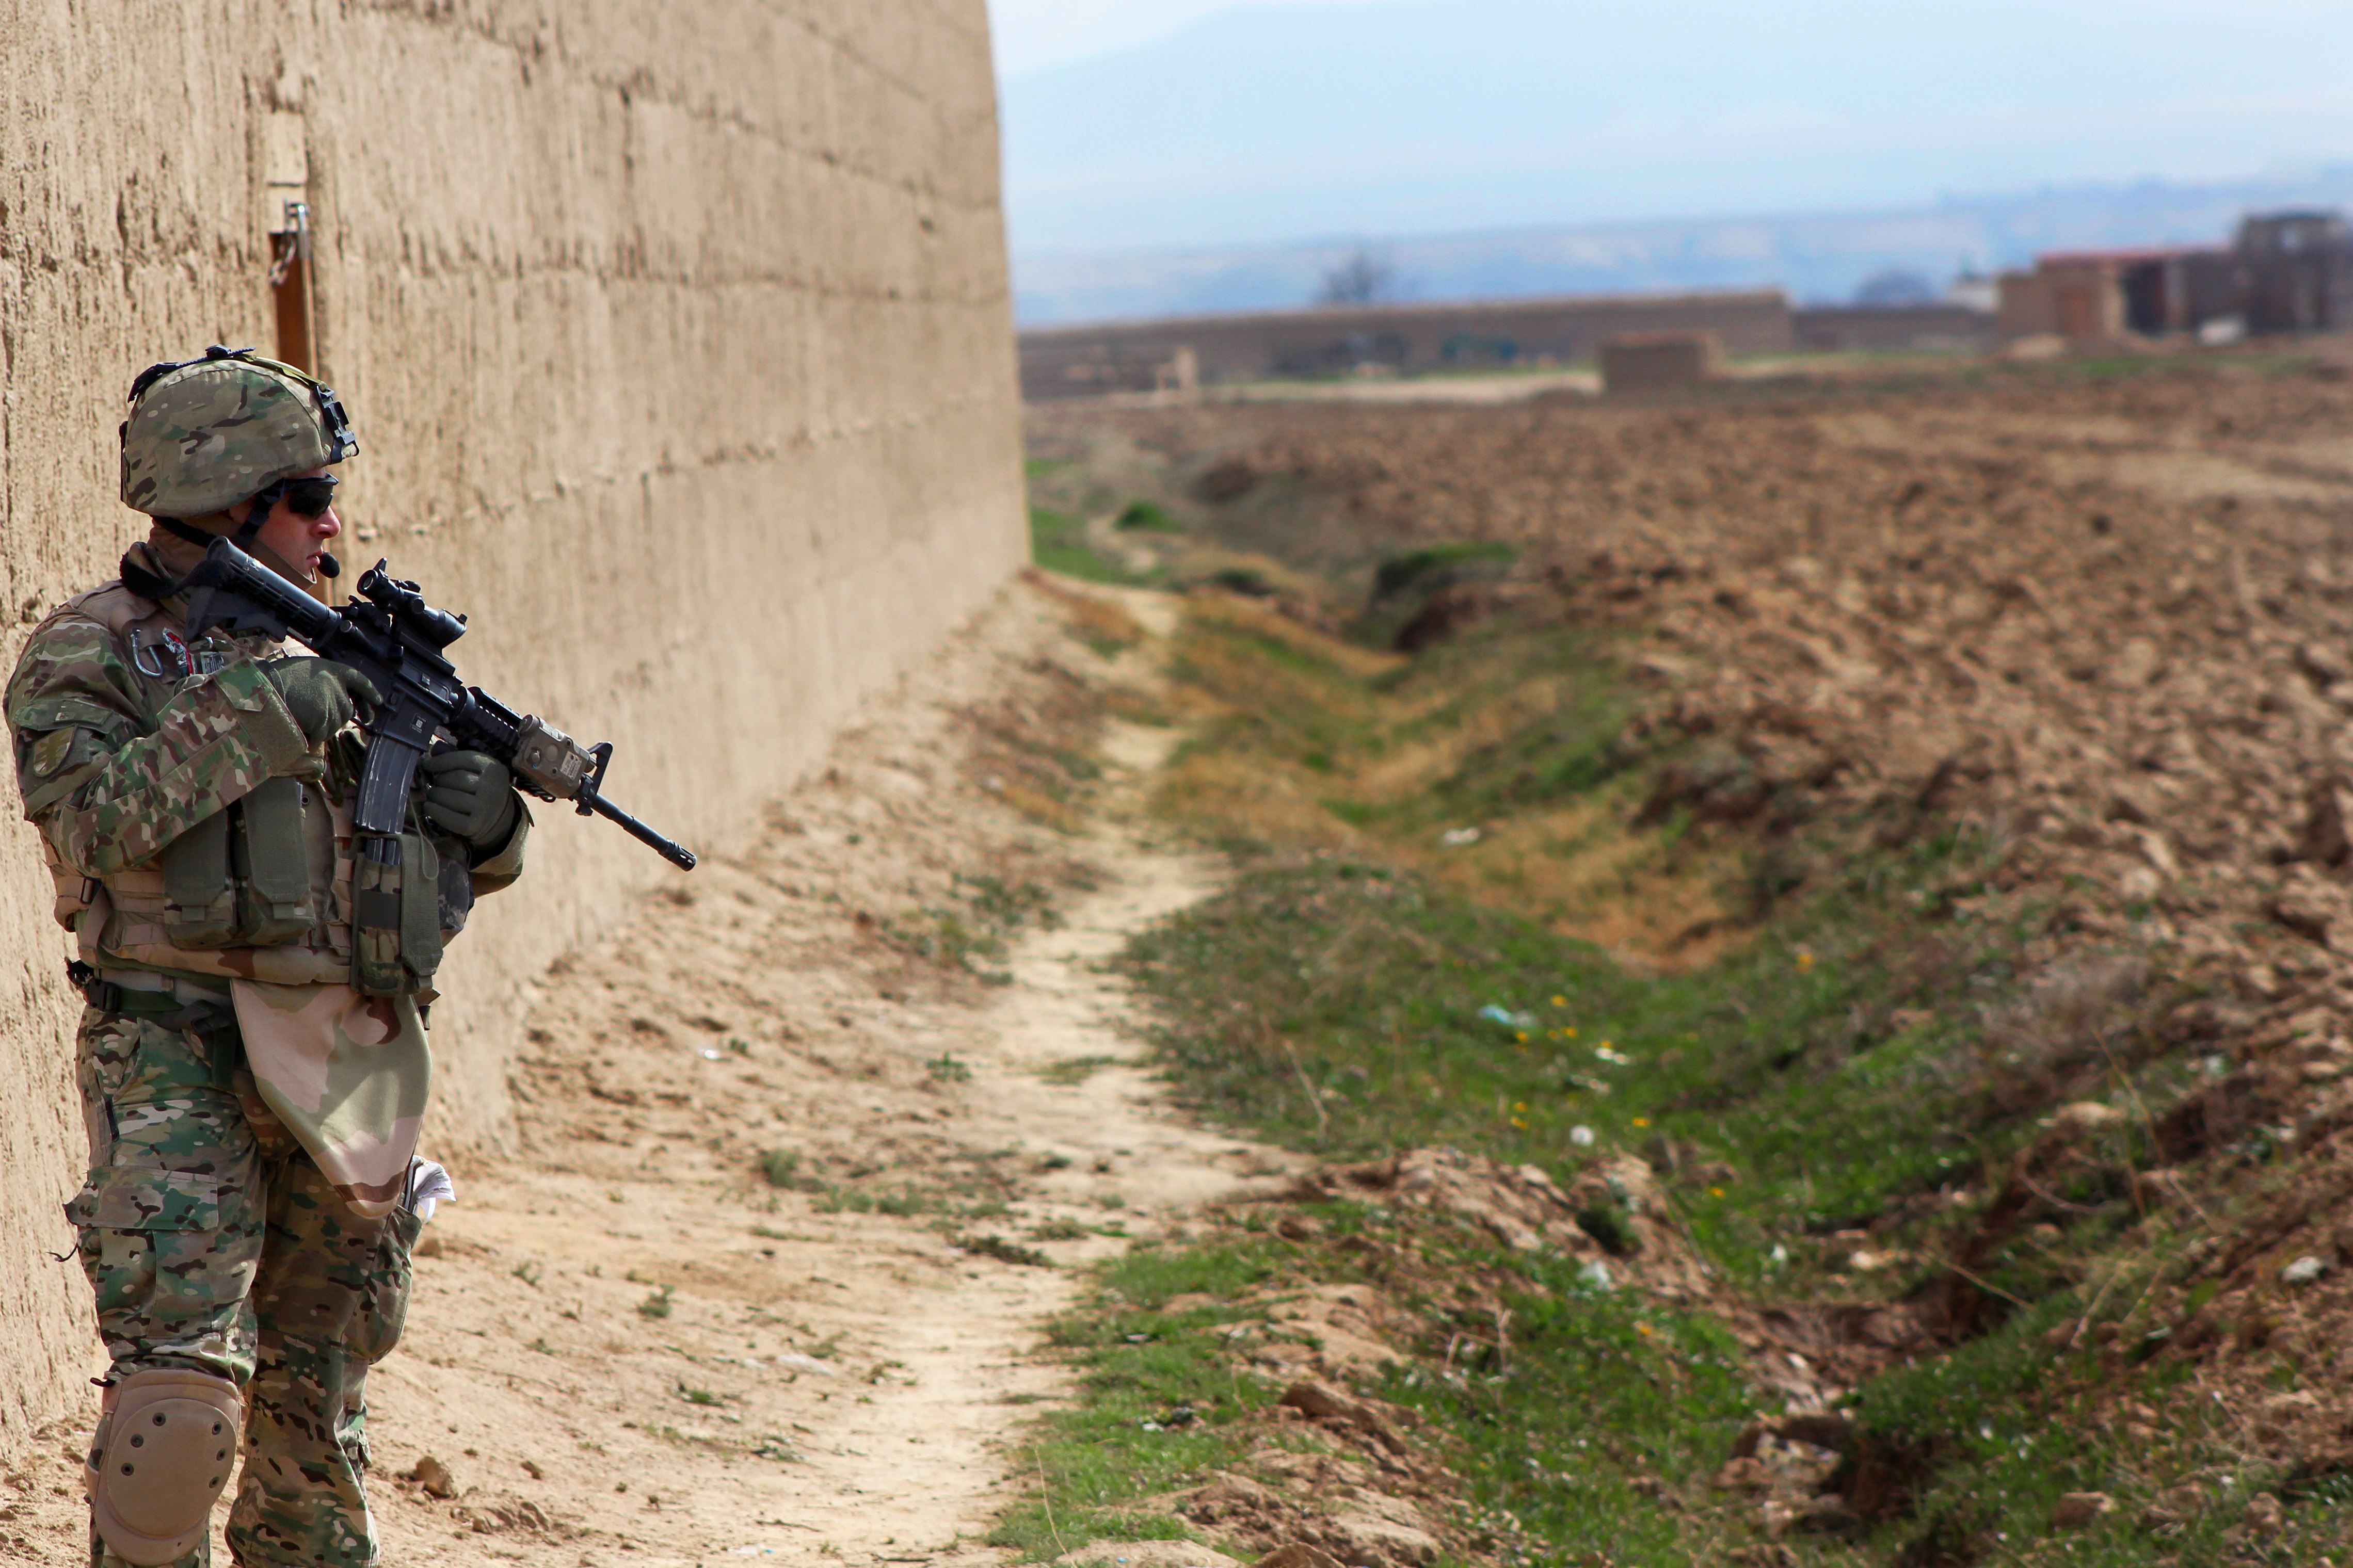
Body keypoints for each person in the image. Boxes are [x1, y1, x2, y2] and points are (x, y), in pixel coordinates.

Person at [8, 346, 532, 1567]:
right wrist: (274, 706)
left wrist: (489, 827)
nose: (329, 521)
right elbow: (91, 820)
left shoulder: (351, 654)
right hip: (172, 1045)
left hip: (346, 1051)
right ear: (220, 495)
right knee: (176, 1405)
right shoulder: (91, 653)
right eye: (303, 496)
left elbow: (398, 861)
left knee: (318, 1400)